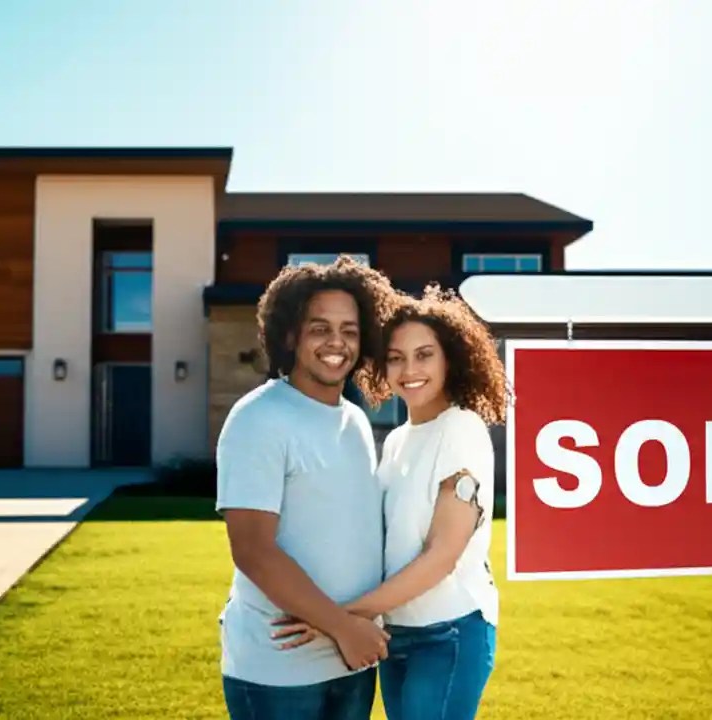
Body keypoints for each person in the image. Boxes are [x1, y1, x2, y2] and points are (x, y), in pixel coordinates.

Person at [272, 283, 509, 720]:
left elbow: (441, 556)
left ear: (450, 359)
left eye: (424, 355)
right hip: (396, 634)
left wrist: (341, 616)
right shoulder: (397, 441)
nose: (408, 369)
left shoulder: (461, 429)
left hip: (450, 634)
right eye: (396, 357)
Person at [214, 255, 402, 720]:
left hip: (351, 660)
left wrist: (352, 628)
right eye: (319, 328)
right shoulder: (258, 418)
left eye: (350, 330)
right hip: (279, 672)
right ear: (290, 335)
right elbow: (253, 551)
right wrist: (342, 626)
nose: (336, 342)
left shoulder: (356, 420)